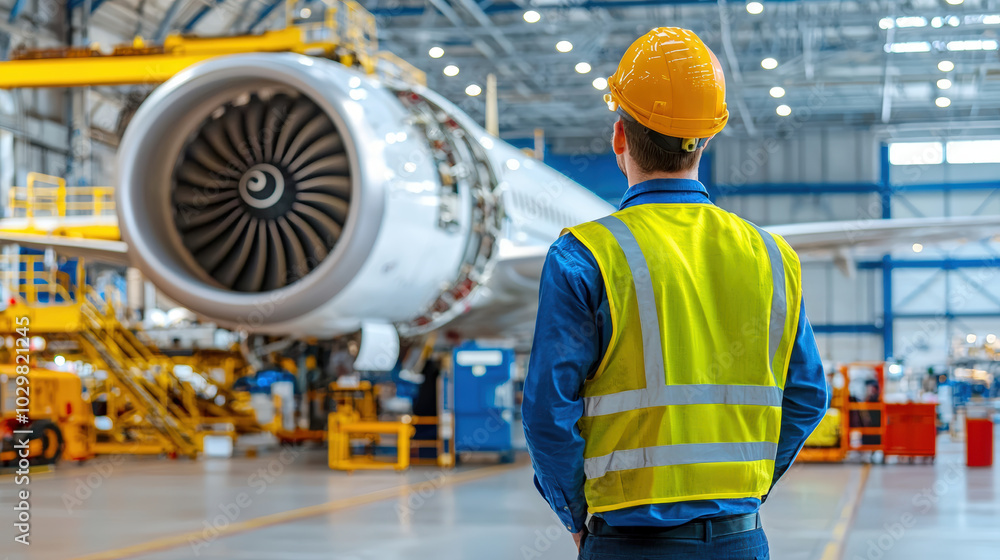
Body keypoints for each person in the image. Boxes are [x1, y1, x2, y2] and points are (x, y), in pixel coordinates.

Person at [521, 28, 828, 559]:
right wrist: (743, 490)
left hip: (626, 542)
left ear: (620, 137)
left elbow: (549, 412)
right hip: (740, 539)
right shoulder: (773, 256)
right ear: (706, 139)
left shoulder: (584, 254)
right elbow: (806, 396)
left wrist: (576, 515)